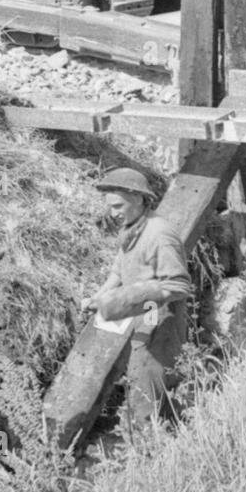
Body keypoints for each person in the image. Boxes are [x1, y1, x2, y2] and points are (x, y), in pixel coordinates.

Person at [83, 168, 193, 427]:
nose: (113, 213)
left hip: (160, 319)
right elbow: (119, 270)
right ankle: (164, 438)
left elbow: (179, 284)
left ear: (139, 198)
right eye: (110, 207)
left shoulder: (160, 235)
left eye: (118, 206)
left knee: (145, 381)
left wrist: (139, 294)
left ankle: (146, 450)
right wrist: (98, 297)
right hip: (142, 317)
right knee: (147, 382)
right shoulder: (133, 229)